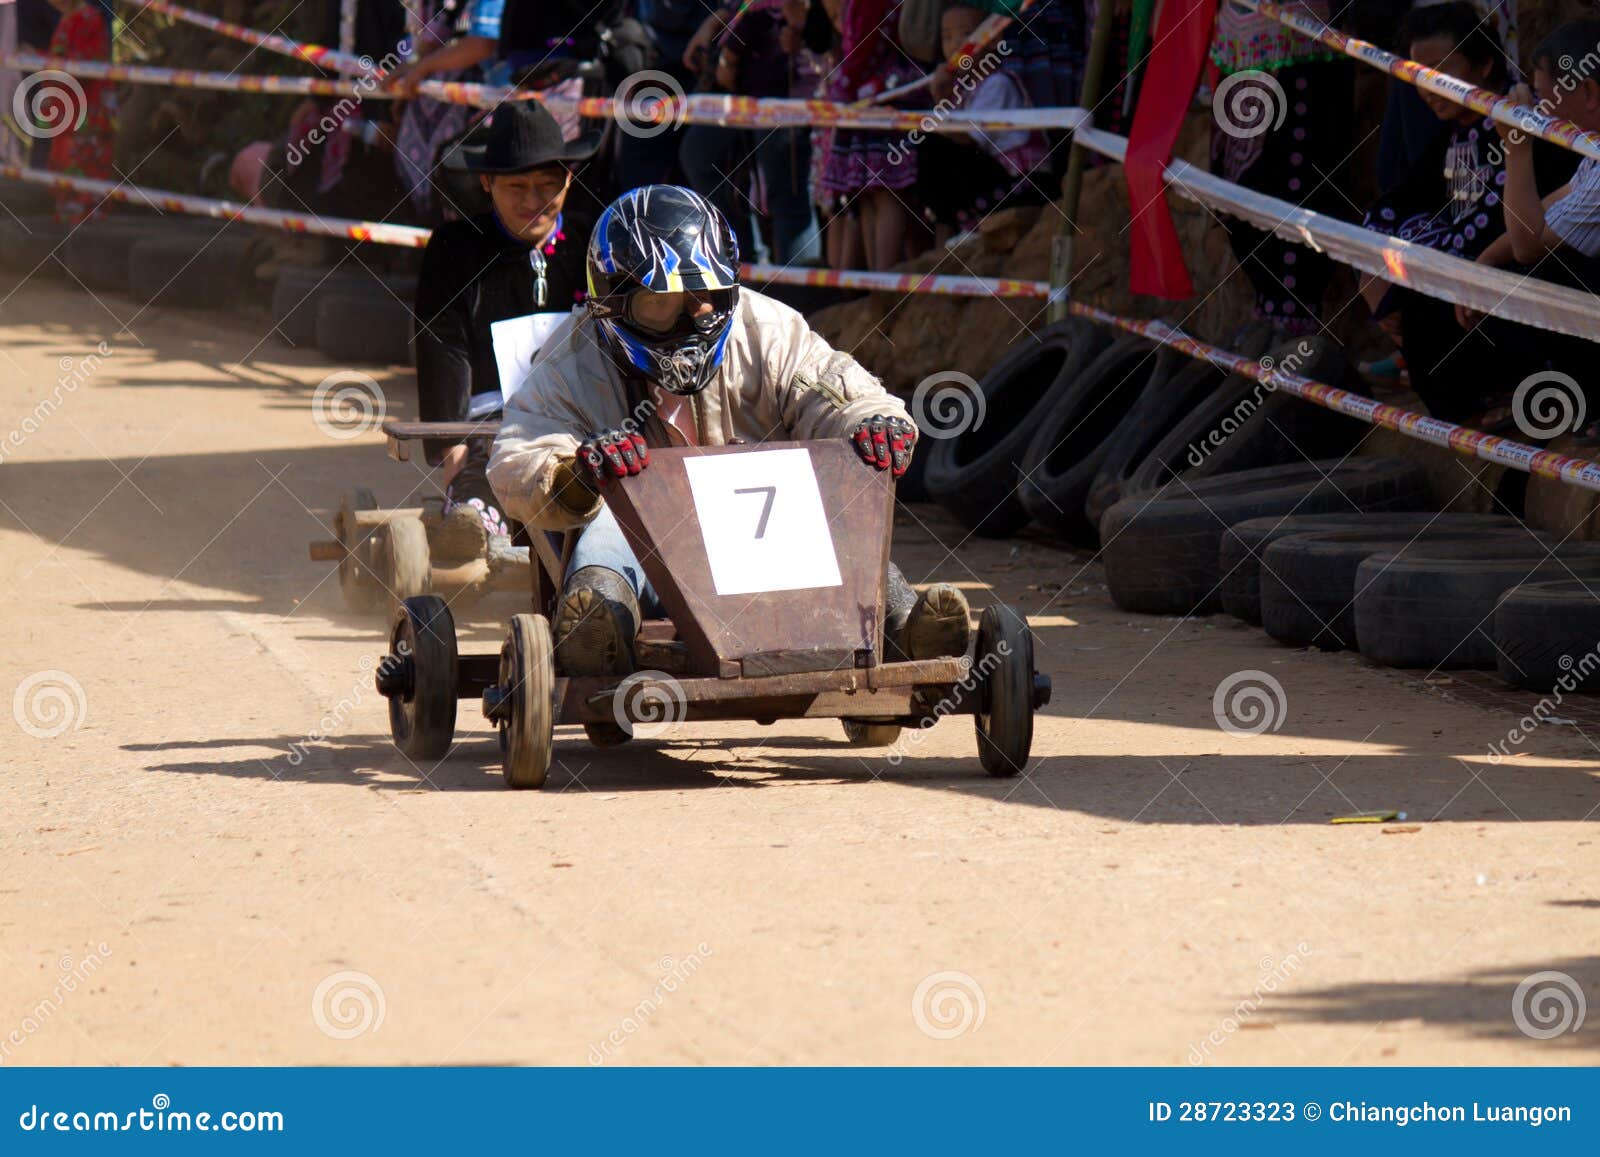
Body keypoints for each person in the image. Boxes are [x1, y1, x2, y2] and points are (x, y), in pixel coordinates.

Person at [488, 185, 970, 677]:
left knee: (832, 525)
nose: (689, 319)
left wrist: (873, 422)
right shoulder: (570, 355)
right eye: (660, 302)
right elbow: (519, 453)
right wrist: (576, 474)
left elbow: (833, 389)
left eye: (702, 299)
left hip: (768, 544)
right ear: (613, 301)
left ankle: (906, 623)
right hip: (649, 557)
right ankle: (599, 621)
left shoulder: (767, 328)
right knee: (607, 523)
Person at [414, 101, 593, 541]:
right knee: (481, 495)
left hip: (589, 422)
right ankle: (476, 521)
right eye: (518, 186)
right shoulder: (455, 248)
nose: (533, 202)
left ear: (568, 180)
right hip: (493, 428)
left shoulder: (597, 244)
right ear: (487, 182)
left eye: (547, 185)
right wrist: (450, 443)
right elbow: (442, 345)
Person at [1460, 17, 1600, 423]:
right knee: (1492, 264)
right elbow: (1550, 207)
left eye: (1543, 100)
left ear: (1588, 92)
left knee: (1542, 269)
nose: (1539, 113)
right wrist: (1481, 265)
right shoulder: (1592, 153)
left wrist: (1516, 147)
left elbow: (1527, 245)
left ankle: (1586, 398)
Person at [916, 4, 1051, 243]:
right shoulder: (964, 90)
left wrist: (940, 99)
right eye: (947, 37)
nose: (955, 44)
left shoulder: (997, 83)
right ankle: (959, 225)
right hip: (993, 174)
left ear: (992, 39)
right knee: (928, 146)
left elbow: (966, 140)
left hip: (1022, 182)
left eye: (966, 34)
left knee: (938, 147)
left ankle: (979, 220)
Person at [42, 0, 113, 224]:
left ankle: (87, 215)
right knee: (64, 160)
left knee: (84, 159)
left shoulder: (91, 19)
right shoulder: (67, 19)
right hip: (65, 109)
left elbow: (88, 62)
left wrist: (50, 65)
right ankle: (68, 211)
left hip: (85, 109)